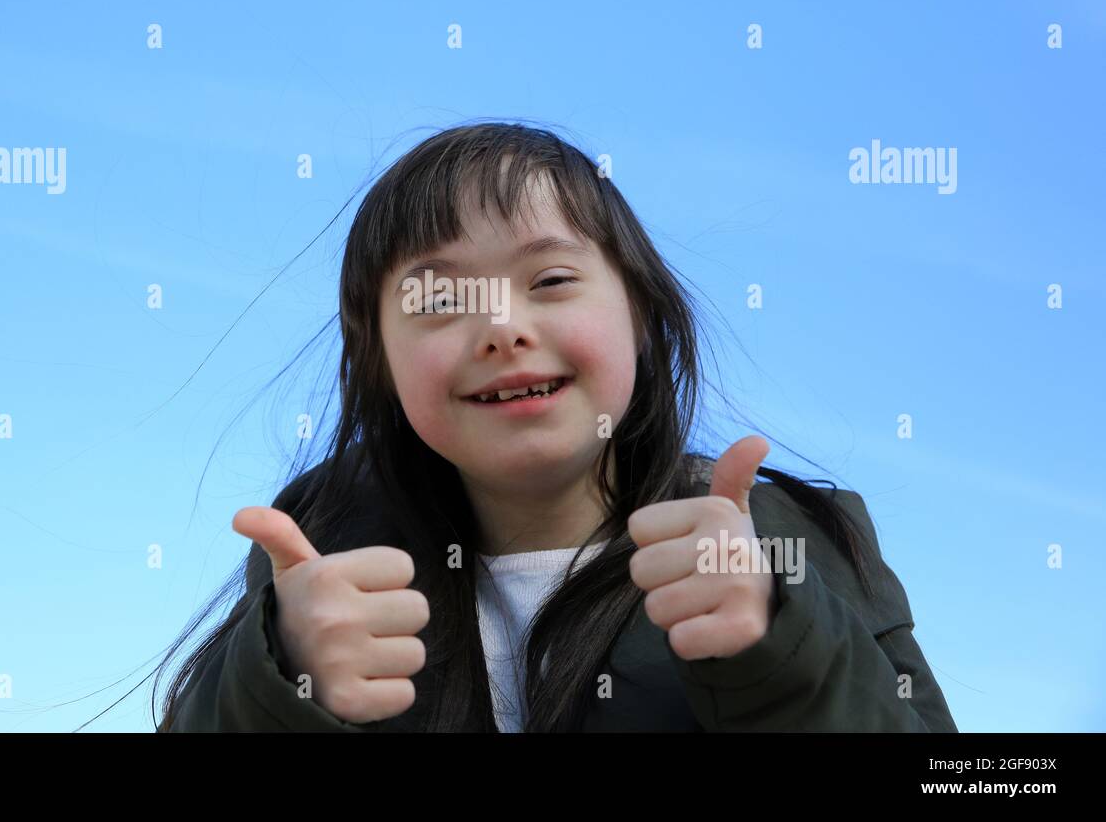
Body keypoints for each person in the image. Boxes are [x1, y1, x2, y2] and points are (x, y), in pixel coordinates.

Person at [155, 121, 957, 732]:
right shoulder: (320, 552)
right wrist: (286, 678)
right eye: (439, 301)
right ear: (378, 362)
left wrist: (782, 642)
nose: (501, 328)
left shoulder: (795, 539)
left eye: (552, 278)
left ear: (640, 313)